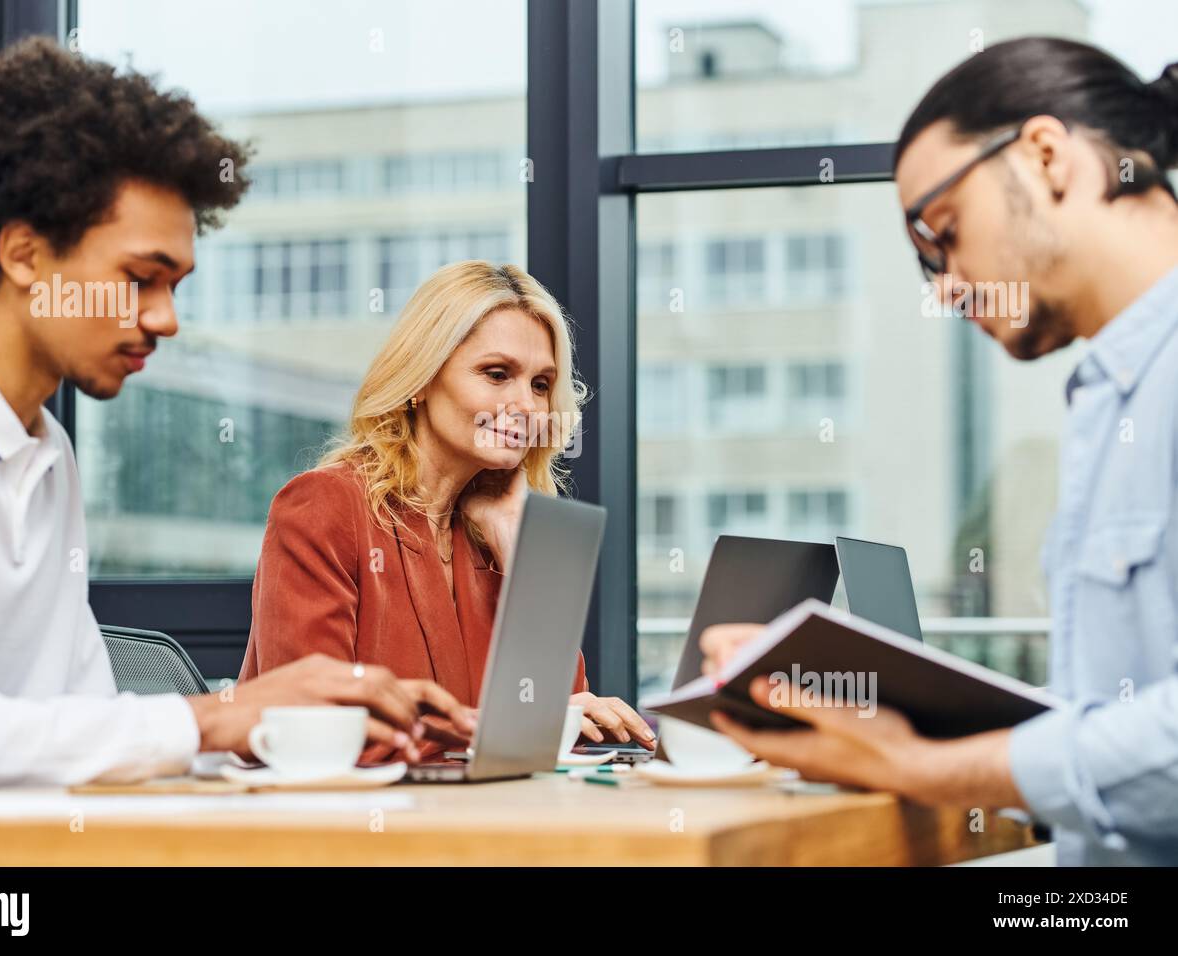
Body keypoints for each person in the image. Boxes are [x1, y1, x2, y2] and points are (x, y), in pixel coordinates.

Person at [0, 37, 473, 793]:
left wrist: (319, 720)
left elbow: (87, 725)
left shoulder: (45, 451)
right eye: (140, 279)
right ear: (25, 255)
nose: (165, 320)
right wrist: (215, 714)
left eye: (175, 286)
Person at [702, 37, 1178, 865]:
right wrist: (877, 707)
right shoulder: (1111, 398)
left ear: (1046, 155)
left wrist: (926, 765)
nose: (947, 289)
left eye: (945, 234)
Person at [240, 260, 655, 760]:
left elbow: (544, 735)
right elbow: (316, 733)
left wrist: (517, 549)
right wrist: (494, 731)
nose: (526, 405)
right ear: (421, 377)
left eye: (541, 385)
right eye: (496, 374)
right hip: (354, 827)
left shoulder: (498, 528)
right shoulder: (323, 507)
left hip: (482, 820)